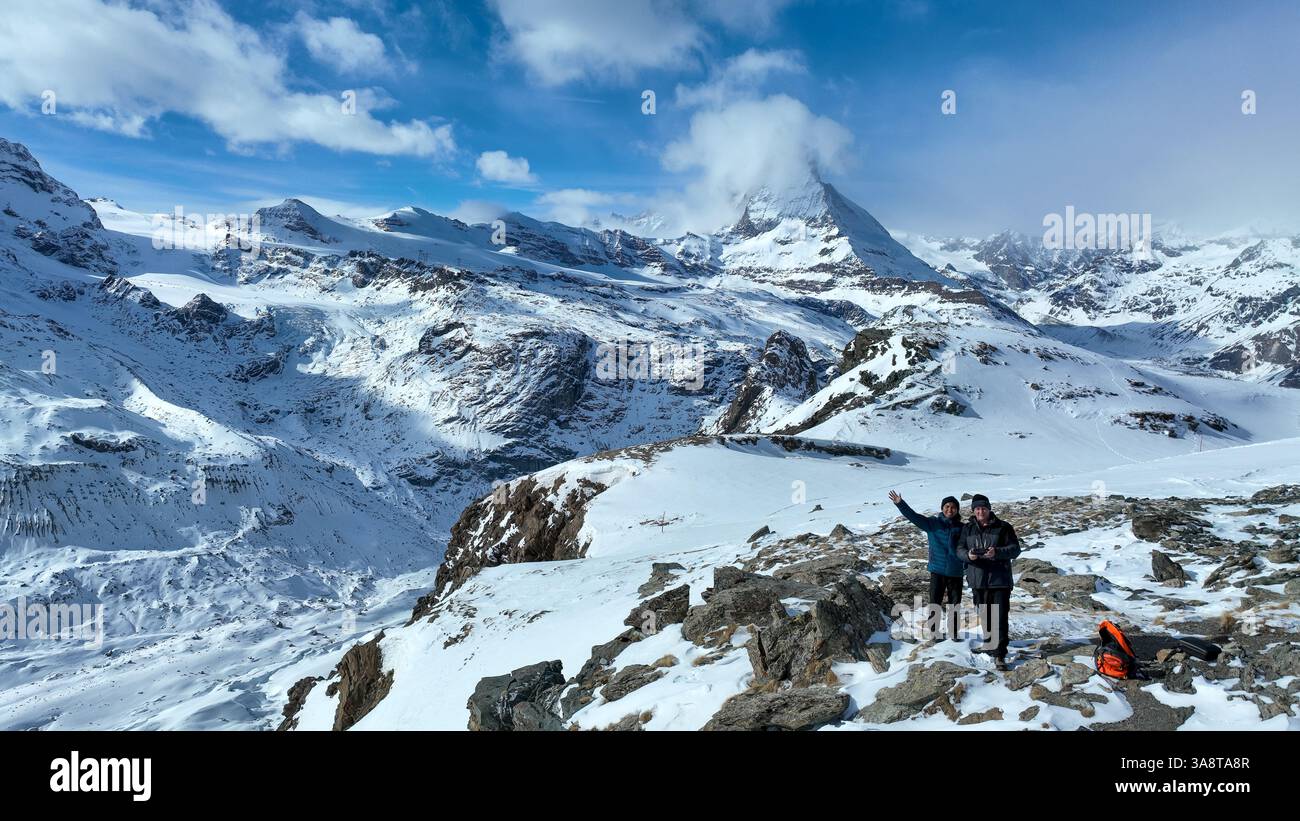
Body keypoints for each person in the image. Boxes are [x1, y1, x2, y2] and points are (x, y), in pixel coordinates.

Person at [956, 494, 1021, 671]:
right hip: (978, 580)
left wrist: (997, 552)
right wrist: (968, 556)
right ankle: (989, 644)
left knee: (999, 618)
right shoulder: (968, 529)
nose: (980, 511)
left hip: (999, 580)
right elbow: (959, 549)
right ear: (973, 510)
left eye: (983, 508)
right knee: (985, 616)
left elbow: (1015, 549)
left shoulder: (1003, 527)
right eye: (977, 509)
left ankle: (1000, 654)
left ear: (989, 509)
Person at [888, 490, 964, 641]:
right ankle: (934, 632)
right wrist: (900, 504)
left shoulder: (962, 528)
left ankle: (954, 633)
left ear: (957, 510)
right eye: (947, 506)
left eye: (953, 507)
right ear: (942, 508)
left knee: (954, 604)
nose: (950, 509)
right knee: (935, 602)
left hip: (956, 572)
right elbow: (914, 517)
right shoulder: (932, 524)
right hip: (937, 570)